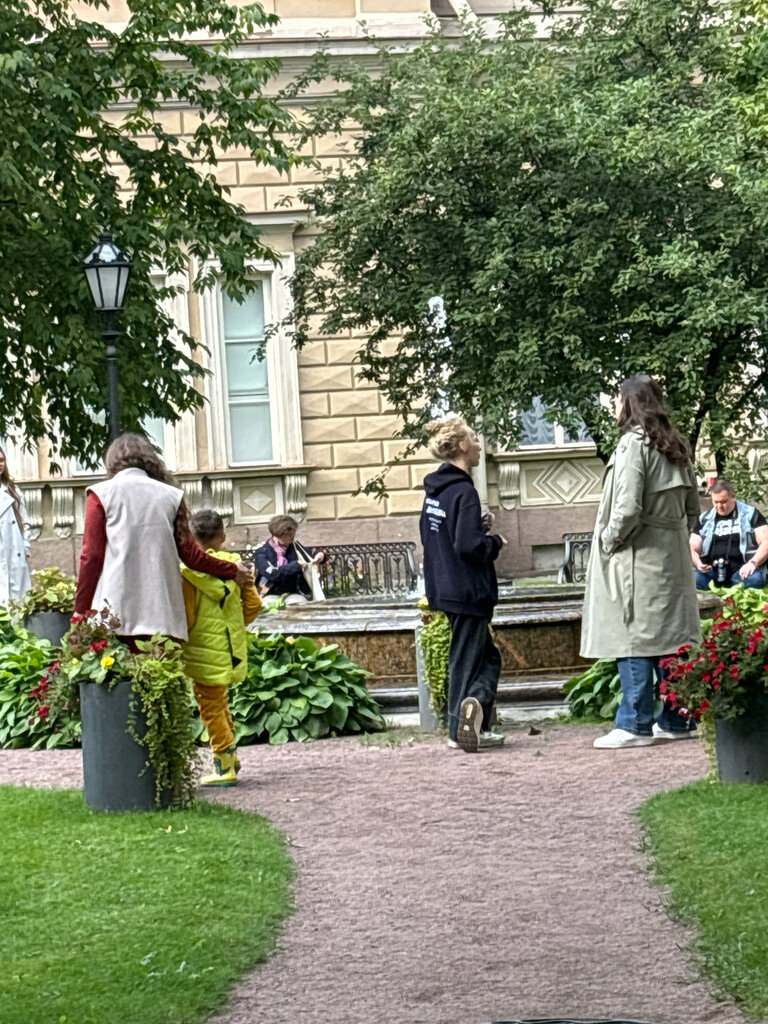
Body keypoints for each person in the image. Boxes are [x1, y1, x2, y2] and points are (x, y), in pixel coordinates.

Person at [581, 375, 701, 749]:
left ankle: (634, 723)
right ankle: (678, 718)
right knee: (671, 637)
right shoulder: (676, 445)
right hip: (671, 557)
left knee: (631, 634)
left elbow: (628, 506)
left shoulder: (634, 445)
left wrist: (607, 539)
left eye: (617, 400)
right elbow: (693, 509)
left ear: (628, 403)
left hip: (635, 556)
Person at [74, 434, 254, 646]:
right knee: (161, 674)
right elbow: (193, 556)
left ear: (112, 461)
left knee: (112, 674)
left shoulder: (101, 494)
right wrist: (232, 569)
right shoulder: (171, 496)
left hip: (112, 609)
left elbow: (91, 557)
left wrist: (80, 611)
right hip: (162, 611)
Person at [419, 416, 506, 753]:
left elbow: (434, 535)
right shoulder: (465, 491)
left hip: (445, 586)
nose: (479, 443)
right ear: (461, 445)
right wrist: (495, 542)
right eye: (473, 437)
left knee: (480, 657)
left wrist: (476, 525)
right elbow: (468, 547)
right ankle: (464, 722)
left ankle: (470, 722)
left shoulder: (437, 491)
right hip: (469, 590)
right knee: (470, 659)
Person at [182, 509, 262, 786]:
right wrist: (234, 626)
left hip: (202, 648)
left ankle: (224, 765)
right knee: (220, 701)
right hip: (230, 649)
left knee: (210, 707)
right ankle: (231, 756)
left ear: (191, 538)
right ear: (223, 536)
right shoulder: (237, 569)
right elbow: (254, 605)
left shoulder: (189, 572)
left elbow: (188, 614)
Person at [690, 477, 768, 590]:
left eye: (723, 502)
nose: (719, 506)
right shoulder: (705, 519)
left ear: (733, 497)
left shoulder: (751, 514)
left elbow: (766, 542)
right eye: (715, 502)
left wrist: (752, 563)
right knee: (693, 578)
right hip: (712, 571)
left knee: (755, 579)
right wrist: (698, 563)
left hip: (742, 571)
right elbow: (692, 546)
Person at [253, 515, 325, 605]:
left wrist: (320, 555)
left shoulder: (295, 546)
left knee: (297, 604)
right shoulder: (261, 553)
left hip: (296, 592)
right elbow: (272, 574)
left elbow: (309, 553)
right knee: (268, 607)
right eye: (290, 535)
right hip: (270, 592)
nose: (293, 537)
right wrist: (297, 565)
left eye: (293, 533)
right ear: (280, 534)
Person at [0, 447, 32, 605]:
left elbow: (25, 522)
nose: (0, 464)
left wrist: (25, 547)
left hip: (15, 556)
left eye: (1, 460)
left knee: (18, 606)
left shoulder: (13, 490)